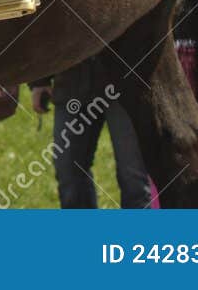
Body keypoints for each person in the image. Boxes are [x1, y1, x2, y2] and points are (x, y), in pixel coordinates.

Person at [30, 65, 152, 208]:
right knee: (69, 177)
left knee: (134, 181)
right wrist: (39, 81)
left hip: (125, 84)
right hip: (71, 83)